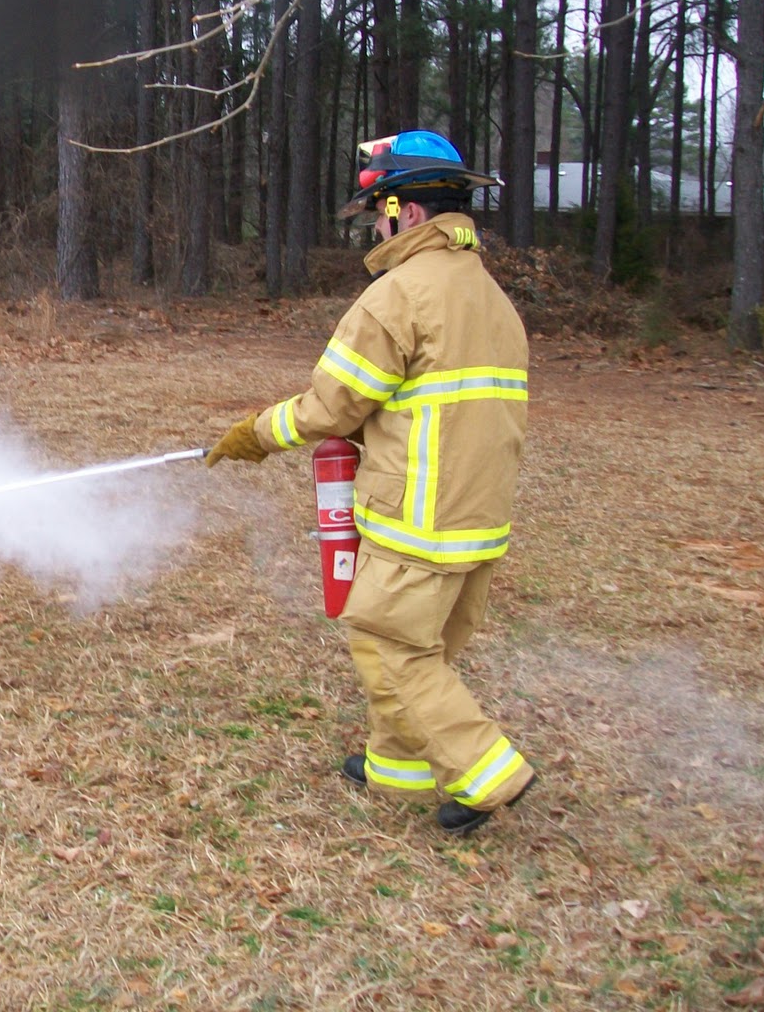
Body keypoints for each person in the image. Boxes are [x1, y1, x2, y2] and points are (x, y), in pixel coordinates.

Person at [206, 129, 535, 836]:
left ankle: (488, 773)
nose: (376, 228)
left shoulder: (400, 296)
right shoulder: (492, 299)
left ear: (408, 213)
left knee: (392, 643)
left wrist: (258, 434)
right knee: (423, 643)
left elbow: (334, 406)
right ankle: (400, 770)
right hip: (479, 512)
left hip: (419, 512)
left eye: (379, 213)